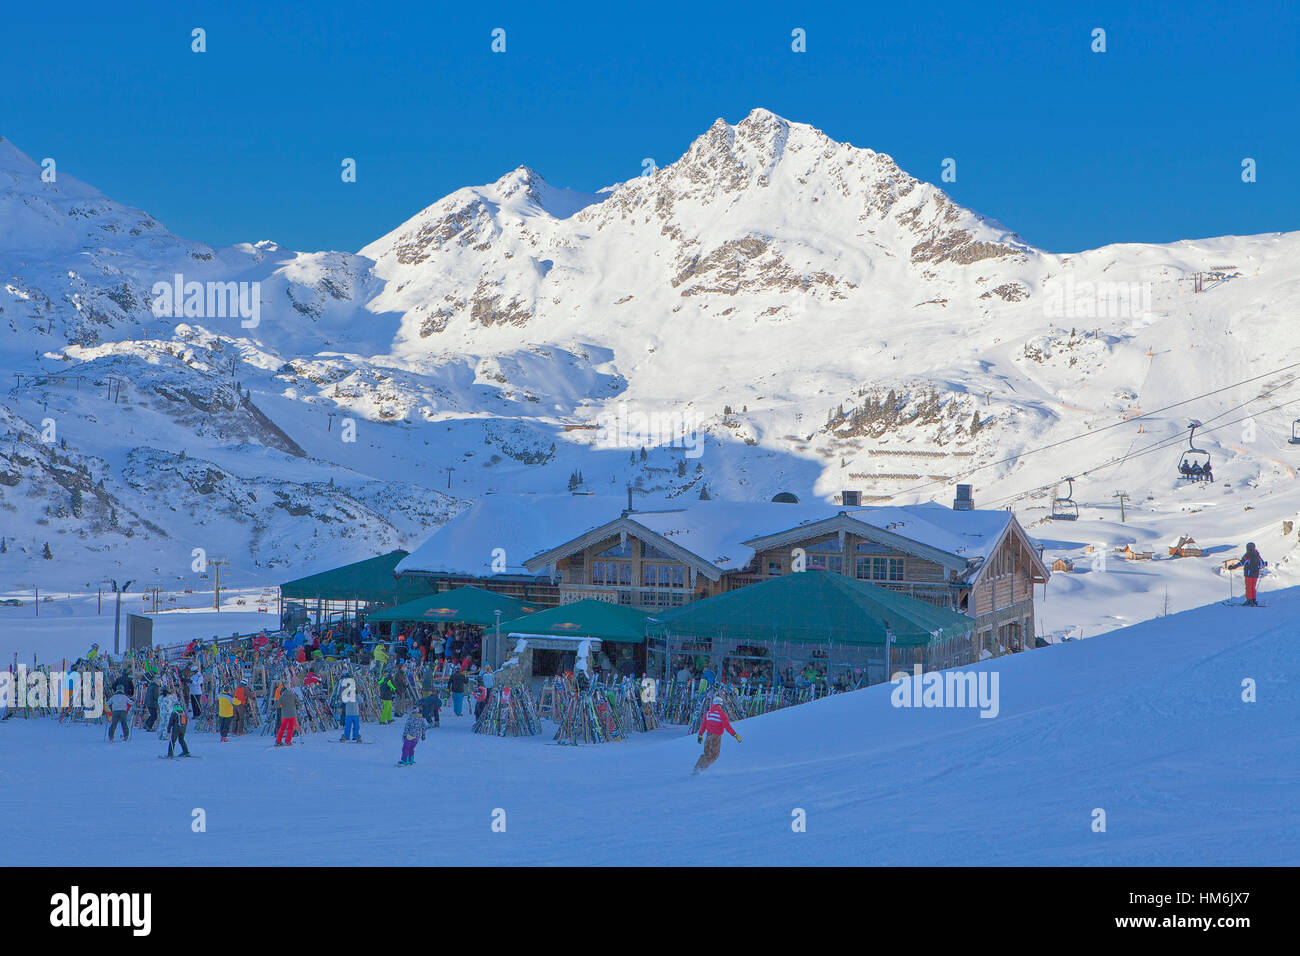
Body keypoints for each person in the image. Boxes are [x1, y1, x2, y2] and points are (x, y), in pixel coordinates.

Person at [693, 695, 741, 775]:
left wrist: (700, 735)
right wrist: (735, 735)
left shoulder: (707, 714)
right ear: (721, 704)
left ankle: (697, 767)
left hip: (708, 736)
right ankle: (701, 769)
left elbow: (703, 725)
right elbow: (727, 726)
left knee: (707, 753)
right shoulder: (722, 714)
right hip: (716, 737)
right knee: (714, 755)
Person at [275, 681, 298, 746]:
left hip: (284, 715)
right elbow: (298, 702)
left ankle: (278, 741)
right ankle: (288, 741)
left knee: (282, 728)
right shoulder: (292, 695)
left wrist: (282, 706)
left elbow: (277, 705)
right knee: (290, 728)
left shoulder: (282, 697)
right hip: (293, 714)